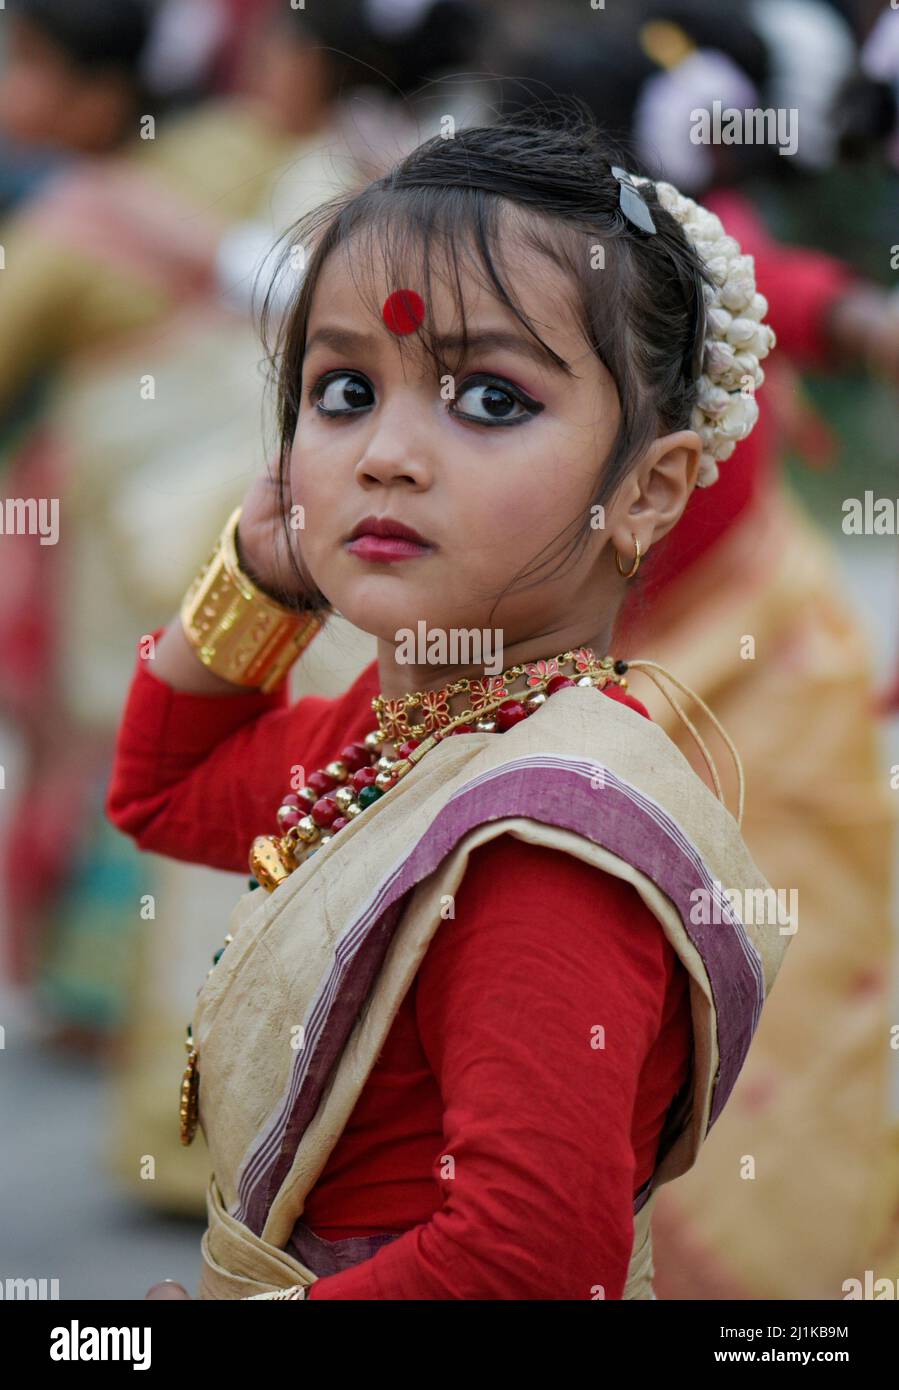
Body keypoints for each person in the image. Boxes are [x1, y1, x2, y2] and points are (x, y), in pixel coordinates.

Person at [107, 110, 791, 1300]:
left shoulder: (539, 844)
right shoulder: (404, 742)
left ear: (645, 490)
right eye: (342, 389)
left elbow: (528, 1261)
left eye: (486, 401)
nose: (385, 453)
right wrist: (260, 579)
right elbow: (163, 793)